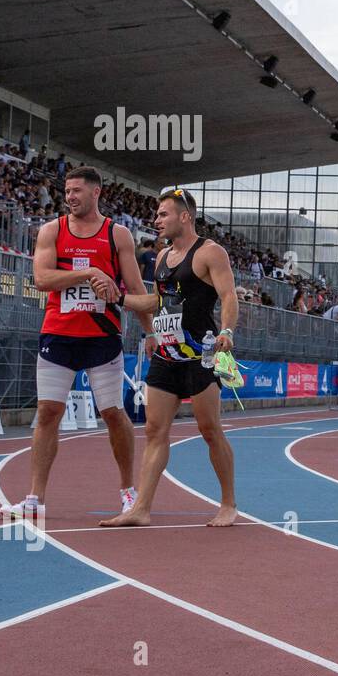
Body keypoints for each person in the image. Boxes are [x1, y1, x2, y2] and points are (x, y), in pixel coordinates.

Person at [2, 167, 150, 519]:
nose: (69, 197)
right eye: (67, 191)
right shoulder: (53, 230)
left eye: (76, 191)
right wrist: (88, 273)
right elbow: (41, 279)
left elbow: (137, 289)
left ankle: (129, 492)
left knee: (113, 414)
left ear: (96, 192)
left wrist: (150, 332)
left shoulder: (118, 235)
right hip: (59, 334)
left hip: (102, 337)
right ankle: (35, 498)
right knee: (47, 413)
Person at [101, 187, 238, 528]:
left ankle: (228, 504)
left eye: (163, 214)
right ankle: (141, 509)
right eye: (157, 214)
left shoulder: (210, 252)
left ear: (185, 216)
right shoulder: (162, 258)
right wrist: (118, 298)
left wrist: (227, 331)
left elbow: (229, 295)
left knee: (209, 429)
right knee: (154, 431)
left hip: (201, 354)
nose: (157, 220)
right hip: (166, 354)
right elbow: (156, 303)